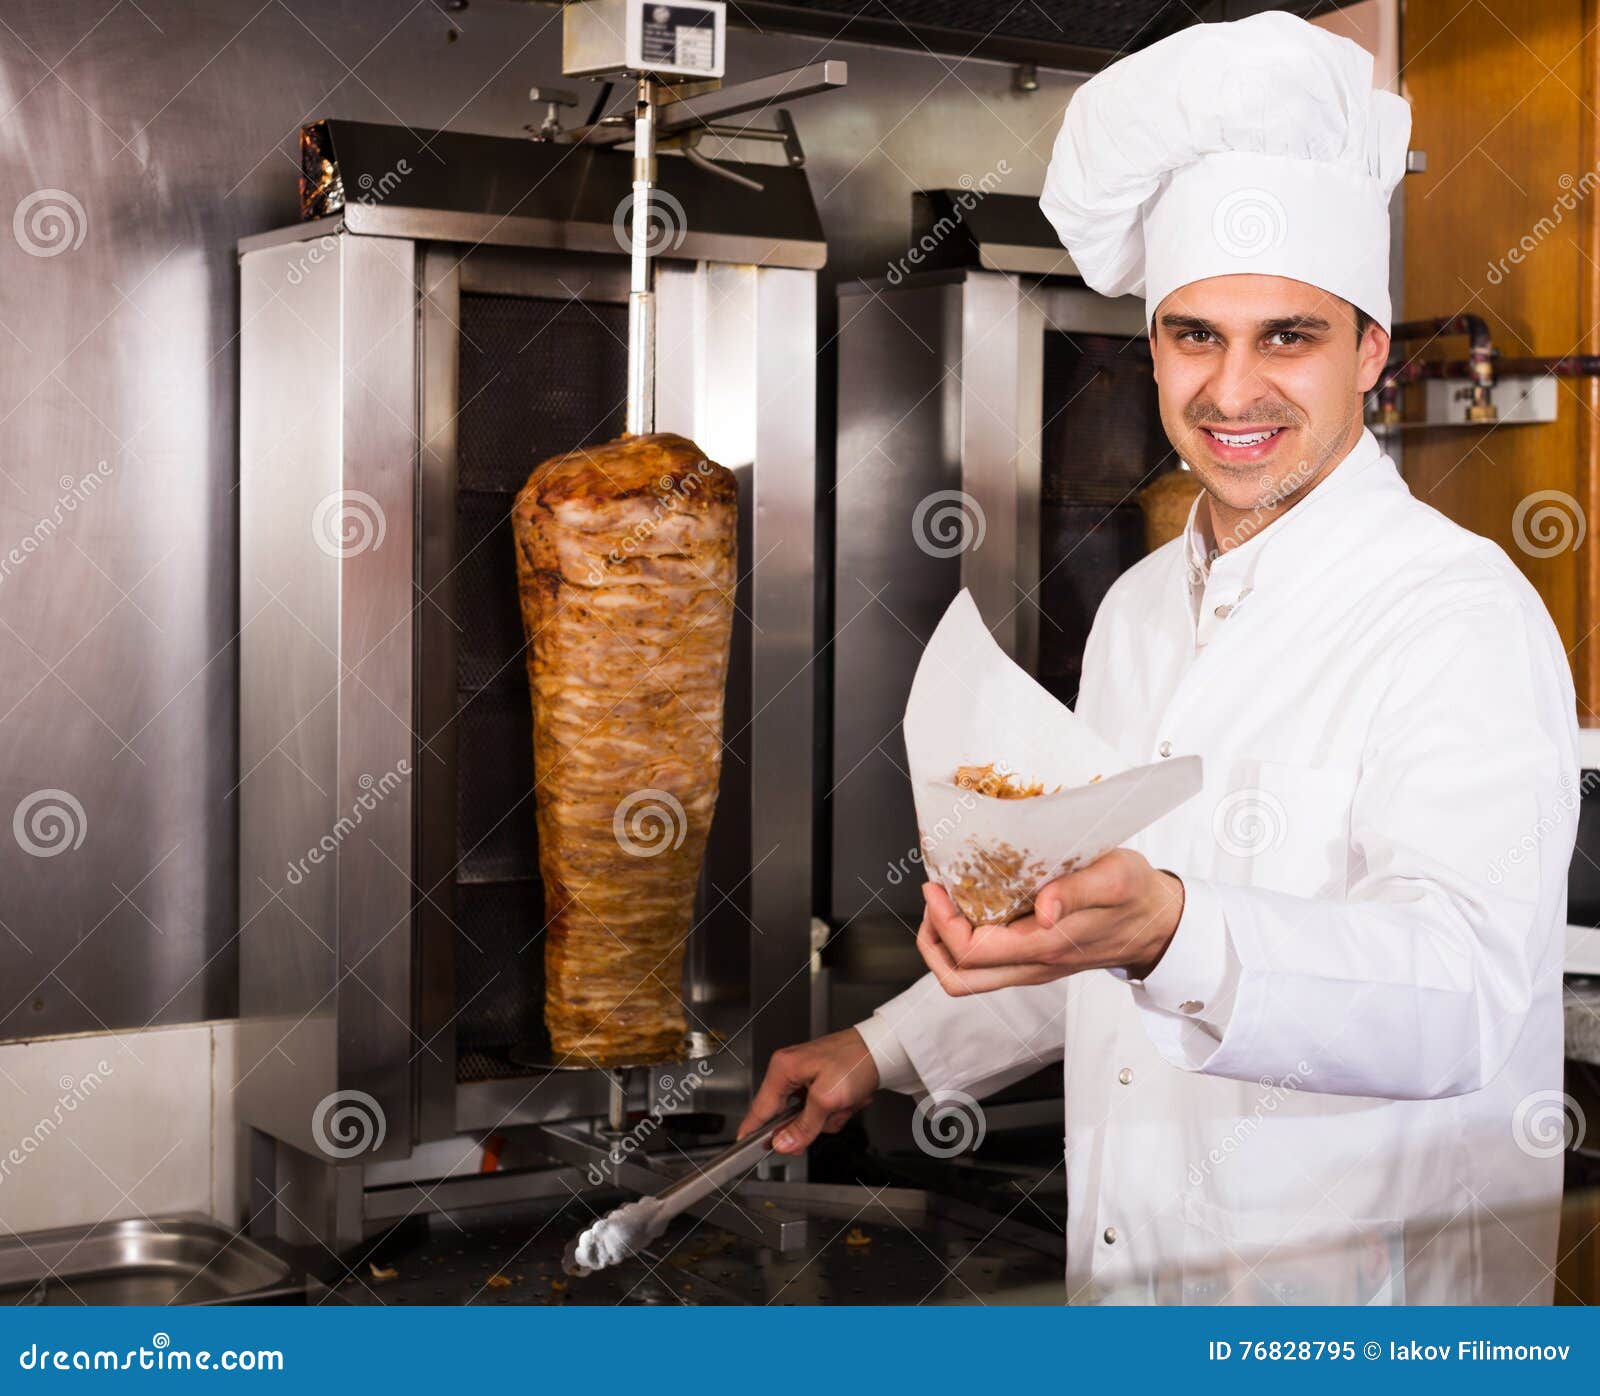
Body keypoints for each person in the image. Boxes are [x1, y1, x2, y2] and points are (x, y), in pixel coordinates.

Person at [740, 10, 1579, 1304]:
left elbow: (1459, 994)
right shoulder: (1139, 610)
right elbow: (1093, 924)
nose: (1232, 392)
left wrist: (1175, 929)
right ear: (1153, 350)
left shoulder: (1455, 614)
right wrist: (882, 1047)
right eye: (1196, 336)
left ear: (1369, 353)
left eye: (1287, 337)